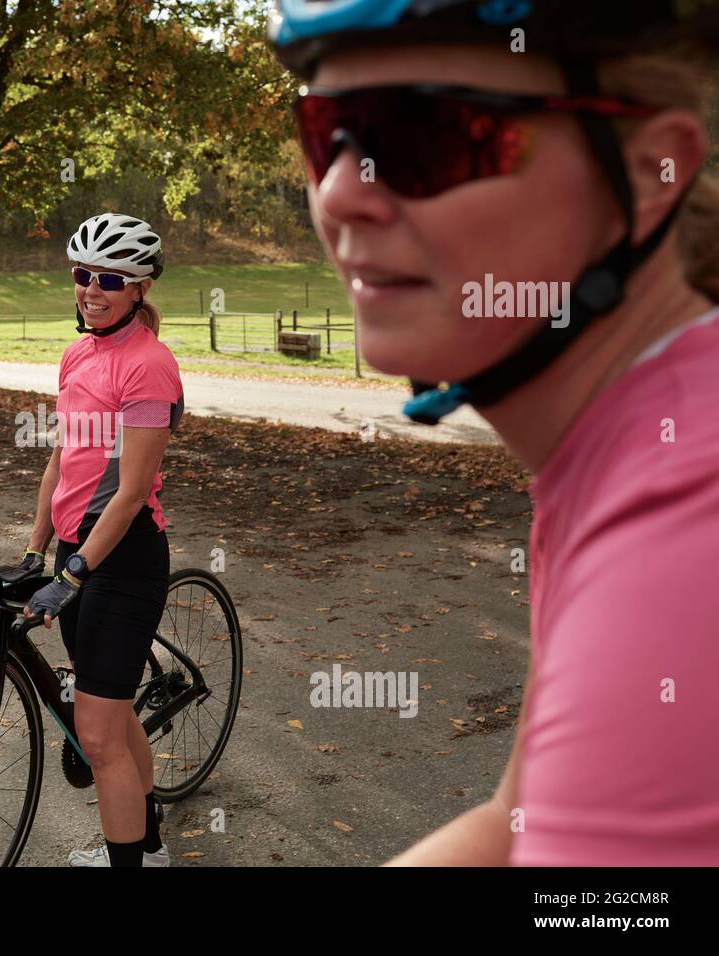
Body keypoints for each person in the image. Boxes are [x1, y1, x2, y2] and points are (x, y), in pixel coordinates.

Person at [269, 0, 719, 864]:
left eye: (426, 134)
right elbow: (512, 825)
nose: (336, 194)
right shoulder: (628, 450)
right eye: (326, 133)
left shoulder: (681, 528)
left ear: (654, 168)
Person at [10, 213, 184, 866]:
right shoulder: (77, 353)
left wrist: (75, 572)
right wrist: (36, 551)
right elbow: (61, 460)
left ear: (139, 288)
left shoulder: (149, 365)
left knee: (98, 737)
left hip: (123, 560)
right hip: (73, 557)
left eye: (110, 278)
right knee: (110, 713)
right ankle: (153, 847)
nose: (91, 289)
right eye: (83, 275)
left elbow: (132, 492)